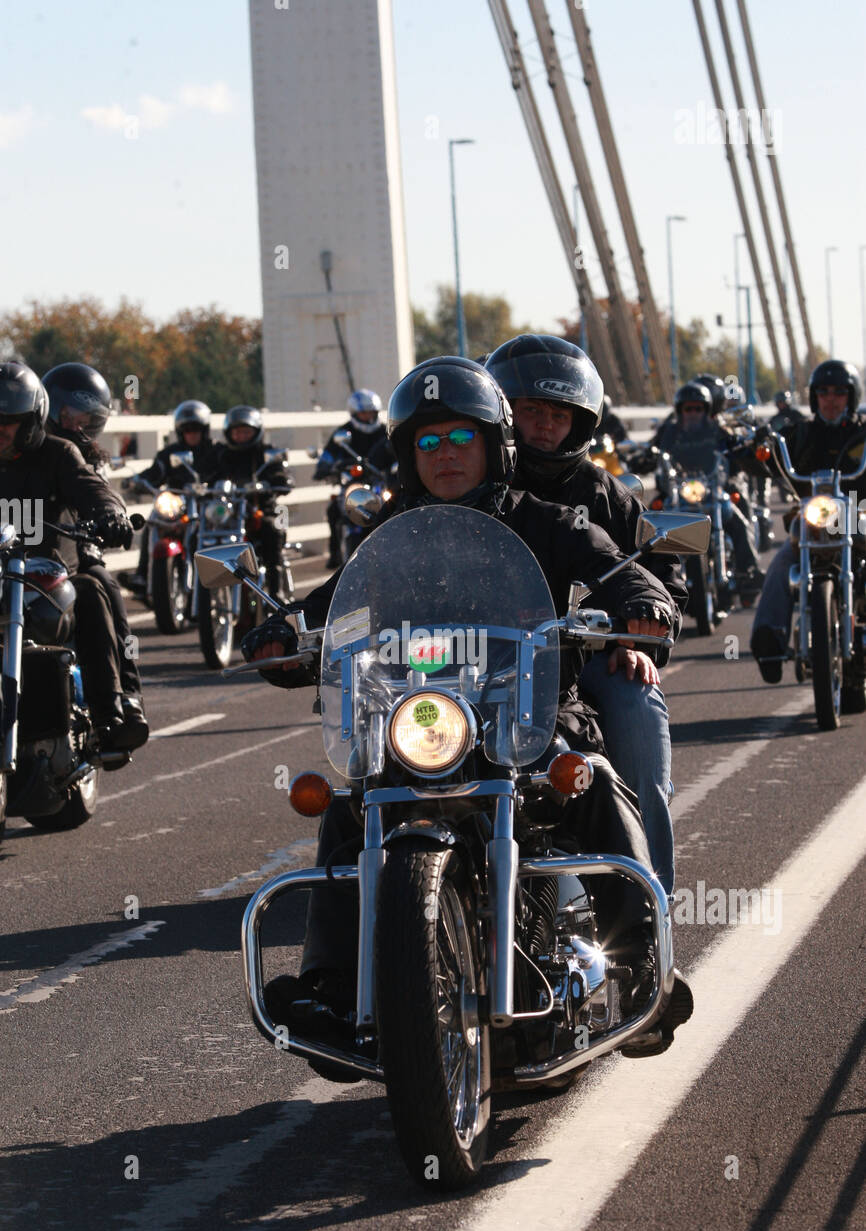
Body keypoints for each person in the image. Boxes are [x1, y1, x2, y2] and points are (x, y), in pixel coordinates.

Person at [243, 357, 693, 1057]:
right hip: (419, 721)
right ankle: (330, 987)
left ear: (494, 445)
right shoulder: (391, 531)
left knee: (592, 779)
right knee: (348, 807)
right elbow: (334, 602)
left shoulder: (546, 519)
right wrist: (286, 633)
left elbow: (617, 569)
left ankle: (639, 964)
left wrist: (642, 604)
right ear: (406, 455)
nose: (444, 455)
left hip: (527, 717)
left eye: (460, 438)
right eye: (427, 442)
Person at [484, 334, 685, 895]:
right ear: (504, 411)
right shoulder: (479, 480)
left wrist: (639, 637)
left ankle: (652, 898)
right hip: (485, 653)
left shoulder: (605, 492)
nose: (546, 425)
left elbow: (662, 575)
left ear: (580, 422)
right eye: (531, 411)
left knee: (637, 710)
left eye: (558, 414)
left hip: (590, 654)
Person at [0, 361, 138, 754]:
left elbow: (92, 487)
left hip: (48, 577)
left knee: (94, 589)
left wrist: (111, 513)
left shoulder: (58, 454)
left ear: (30, 421)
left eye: (8, 421)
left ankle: (111, 709)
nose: (0, 429)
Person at [42, 362, 148, 749]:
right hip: (23, 554)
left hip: (77, 550)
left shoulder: (86, 457)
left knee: (103, 586)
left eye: (84, 417)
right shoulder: (28, 449)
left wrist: (112, 516)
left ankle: (126, 699)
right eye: (66, 411)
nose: (72, 422)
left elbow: (97, 491)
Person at [751, 360, 866, 685]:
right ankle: (769, 639)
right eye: (824, 392)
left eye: (839, 392)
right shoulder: (801, 432)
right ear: (814, 397)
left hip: (859, 513)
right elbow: (769, 451)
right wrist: (757, 445)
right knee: (783, 561)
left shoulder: (862, 431)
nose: (831, 399)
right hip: (813, 518)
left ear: (851, 396)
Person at [650, 380, 763, 598]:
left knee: (737, 519)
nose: (692, 413)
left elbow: (734, 445)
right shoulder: (670, 431)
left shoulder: (717, 430)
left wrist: (743, 447)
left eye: (698, 408)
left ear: (706, 410)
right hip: (678, 490)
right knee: (650, 525)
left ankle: (748, 571)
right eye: (688, 408)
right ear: (680, 410)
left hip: (712, 487)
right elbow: (655, 450)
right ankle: (651, 581)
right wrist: (643, 456)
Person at [202, 405, 293, 600]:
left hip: (259, 510)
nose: (241, 436)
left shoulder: (265, 453)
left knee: (272, 530)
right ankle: (198, 588)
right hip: (228, 514)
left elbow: (280, 473)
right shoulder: (220, 453)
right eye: (237, 432)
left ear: (256, 432)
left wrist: (277, 481)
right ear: (229, 432)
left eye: (246, 432)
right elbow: (204, 476)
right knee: (202, 533)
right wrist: (200, 486)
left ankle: (276, 592)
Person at [122, 399, 212, 596]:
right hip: (178, 506)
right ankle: (143, 575)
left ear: (204, 430)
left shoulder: (214, 452)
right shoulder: (170, 453)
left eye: (196, 429)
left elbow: (226, 474)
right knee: (153, 520)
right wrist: (137, 480)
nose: (192, 433)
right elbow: (156, 472)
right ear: (180, 431)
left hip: (207, 507)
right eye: (187, 429)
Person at [315, 389, 387, 566]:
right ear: (354, 414)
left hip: (381, 483)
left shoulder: (385, 432)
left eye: (370, 412)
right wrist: (329, 467)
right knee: (333, 510)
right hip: (354, 485)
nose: (367, 417)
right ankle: (335, 554)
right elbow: (326, 459)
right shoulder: (343, 433)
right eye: (363, 413)